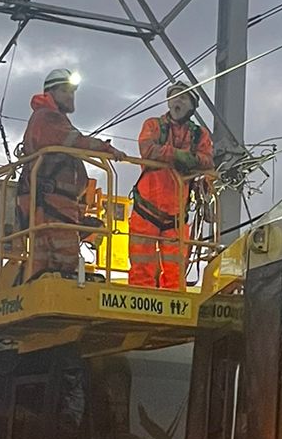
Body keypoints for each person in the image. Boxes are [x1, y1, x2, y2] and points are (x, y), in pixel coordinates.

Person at [17, 66, 126, 279]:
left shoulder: (48, 116)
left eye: (72, 92)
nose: (70, 96)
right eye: (65, 91)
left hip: (49, 202)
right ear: (51, 93)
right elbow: (75, 141)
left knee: (44, 257)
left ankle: (41, 290)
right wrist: (107, 149)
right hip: (52, 202)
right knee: (65, 255)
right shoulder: (48, 118)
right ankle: (56, 290)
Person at [129, 76, 213, 290]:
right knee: (141, 267)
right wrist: (180, 156)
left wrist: (189, 161)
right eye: (175, 96)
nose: (178, 101)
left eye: (184, 98)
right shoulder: (154, 125)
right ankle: (140, 299)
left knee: (176, 271)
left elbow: (207, 161)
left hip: (176, 215)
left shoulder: (199, 135)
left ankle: (173, 299)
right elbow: (148, 149)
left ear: (192, 105)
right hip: (147, 209)